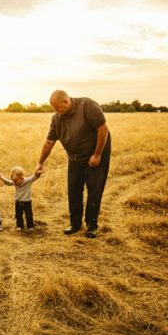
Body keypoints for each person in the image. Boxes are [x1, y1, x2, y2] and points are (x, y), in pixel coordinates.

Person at [35, 90, 111, 238]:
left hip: (95, 155)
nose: (56, 111)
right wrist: (40, 162)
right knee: (73, 190)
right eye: (53, 108)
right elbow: (49, 142)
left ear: (66, 101)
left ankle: (91, 226)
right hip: (75, 157)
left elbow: (103, 129)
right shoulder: (56, 119)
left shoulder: (87, 106)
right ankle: (75, 224)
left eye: (57, 107)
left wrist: (97, 154)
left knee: (94, 190)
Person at [0, 166, 43, 230]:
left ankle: (30, 226)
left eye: (16, 181)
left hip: (27, 202)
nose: (15, 183)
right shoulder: (14, 181)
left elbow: (34, 177)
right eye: (14, 181)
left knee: (29, 215)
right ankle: (19, 226)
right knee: (18, 215)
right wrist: (1, 177)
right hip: (18, 202)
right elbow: (8, 182)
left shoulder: (27, 181)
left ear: (21, 178)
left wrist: (38, 173)